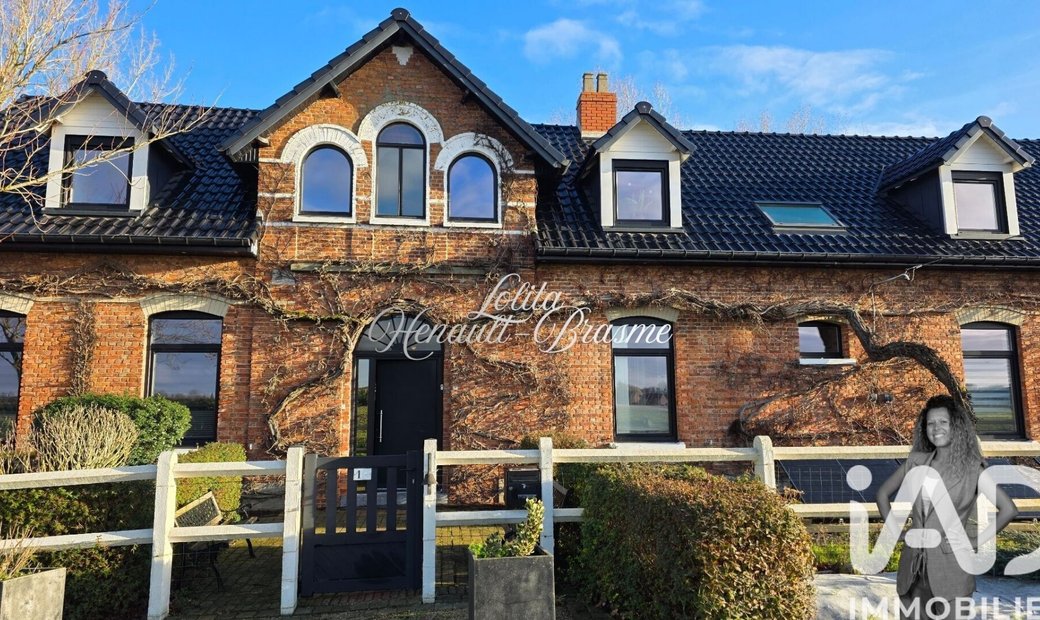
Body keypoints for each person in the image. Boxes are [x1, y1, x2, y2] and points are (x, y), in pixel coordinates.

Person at [876, 394, 1018, 620]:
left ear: (956, 427)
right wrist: (896, 532)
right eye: (930, 423)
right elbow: (882, 494)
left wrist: (974, 541)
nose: (936, 428)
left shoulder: (973, 470)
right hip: (912, 572)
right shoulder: (916, 462)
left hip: (952, 571)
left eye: (943, 422)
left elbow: (1009, 509)